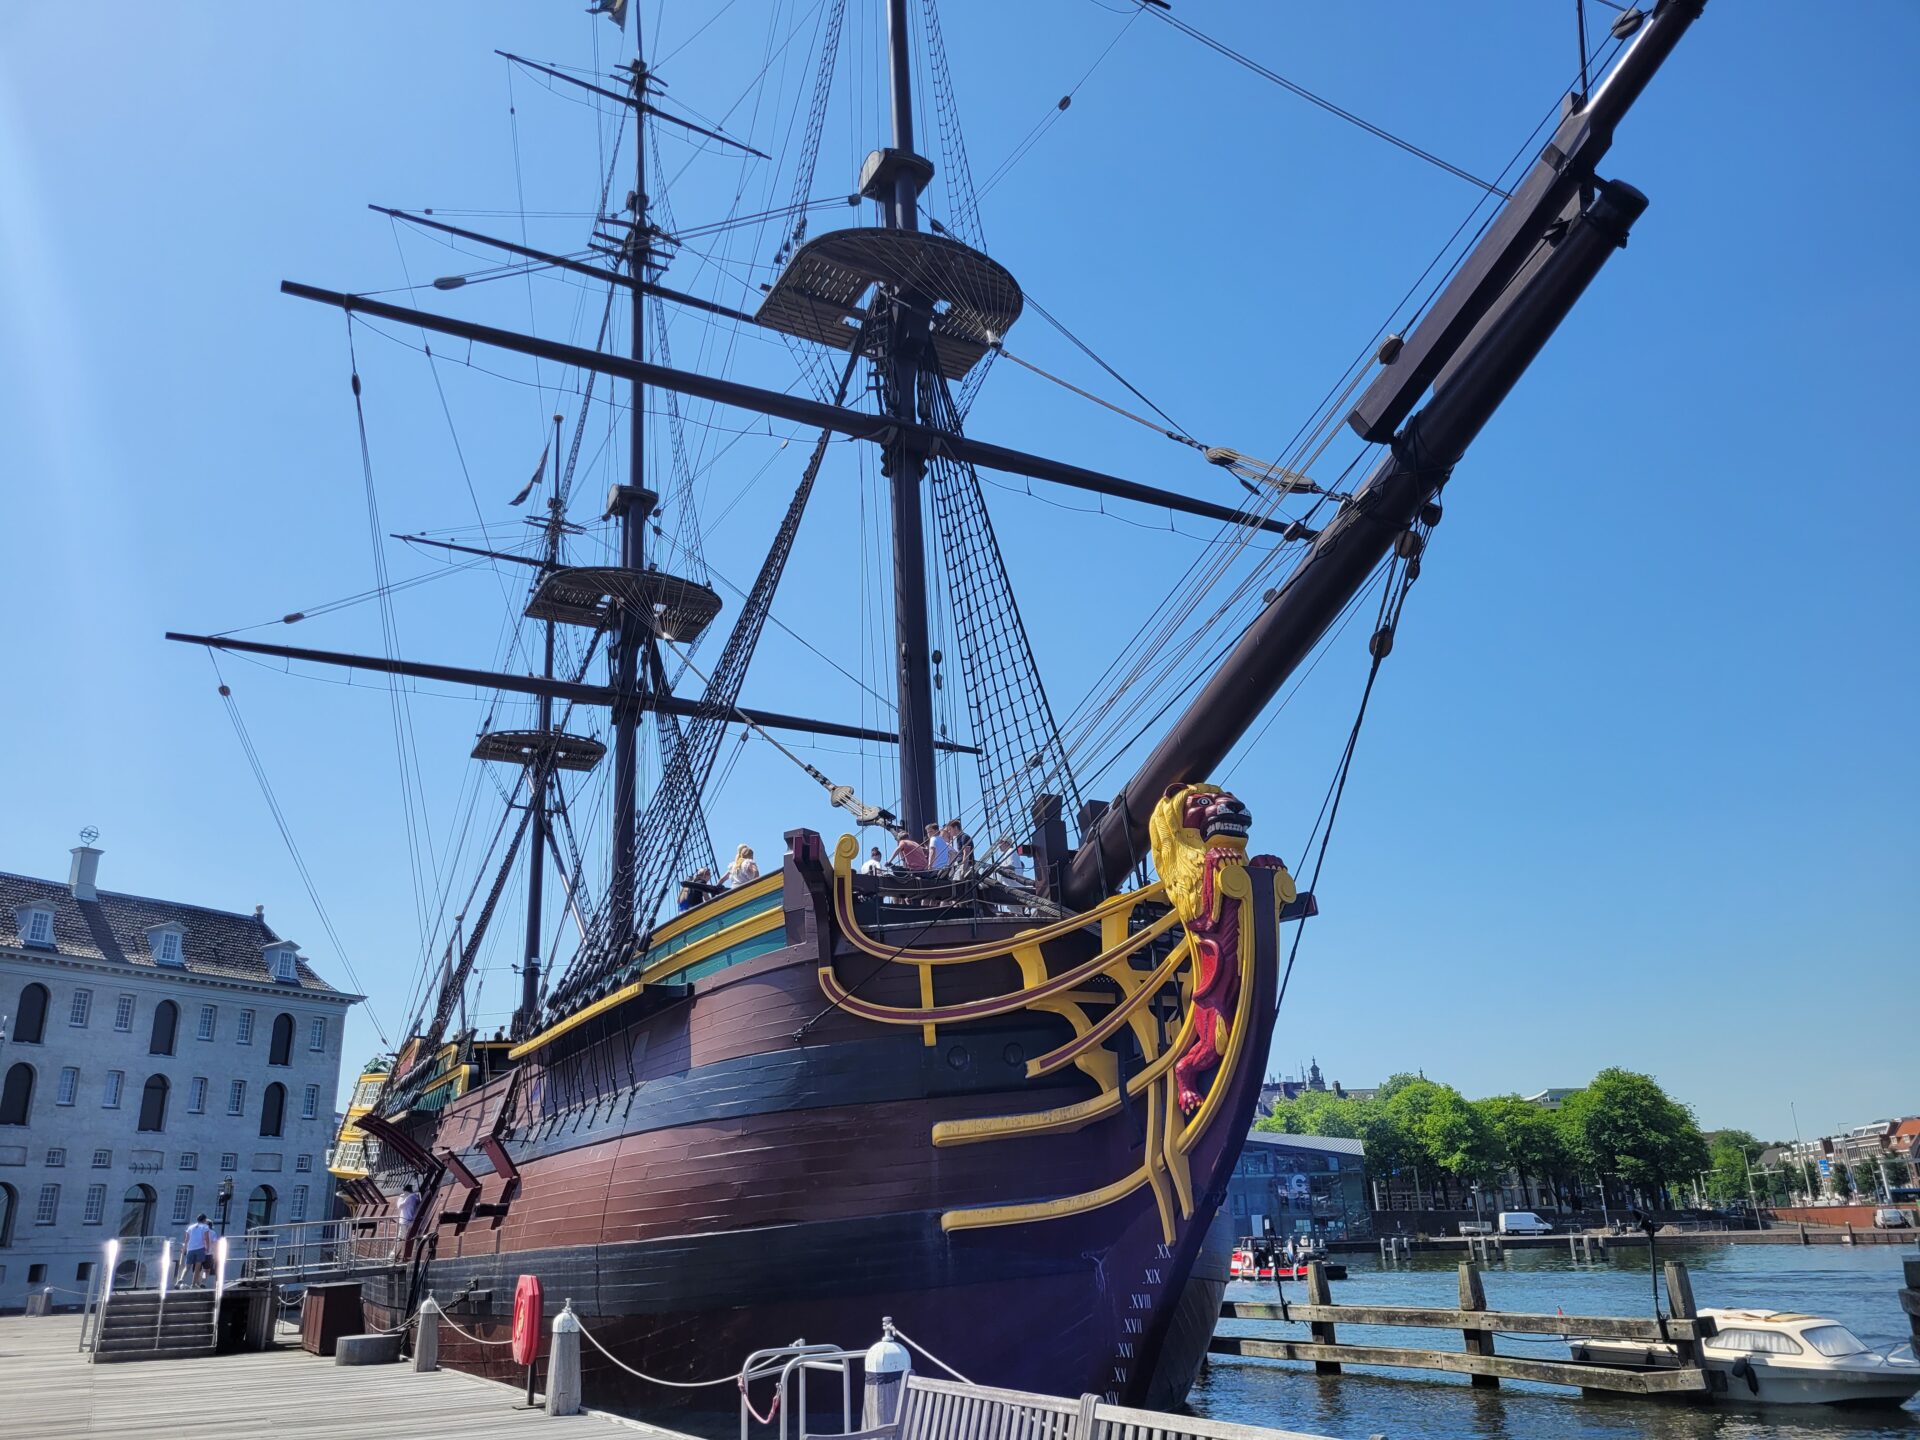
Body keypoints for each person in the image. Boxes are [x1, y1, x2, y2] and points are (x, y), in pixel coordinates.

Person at [182, 1214, 214, 1288]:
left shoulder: (191, 1227)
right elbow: (208, 1239)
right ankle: (200, 1282)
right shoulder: (208, 1230)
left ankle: (181, 1279)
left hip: (191, 1249)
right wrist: (209, 1248)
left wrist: (185, 1248)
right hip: (204, 1251)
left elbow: (186, 1239)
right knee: (205, 1270)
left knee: (188, 1267)